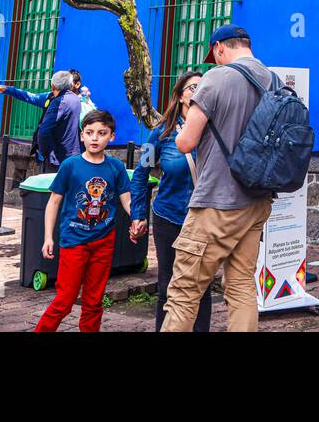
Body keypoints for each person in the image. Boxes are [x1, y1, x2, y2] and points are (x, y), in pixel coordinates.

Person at [162, 25, 274, 333]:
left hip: (217, 201)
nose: (216, 61)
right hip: (257, 199)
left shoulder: (216, 78)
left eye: (215, 56)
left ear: (220, 48)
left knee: (185, 291)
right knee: (240, 285)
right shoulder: (272, 79)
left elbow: (185, 142)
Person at [128, 70, 214, 331]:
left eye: (202, 88)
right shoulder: (161, 134)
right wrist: (138, 214)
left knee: (202, 285)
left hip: (203, 219)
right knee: (168, 285)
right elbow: (141, 175)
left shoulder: (214, 133)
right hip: (169, 217)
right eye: (191, 88)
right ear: (178, 96)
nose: (197, 92)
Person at [34, 109, 132, 332]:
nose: (95, 138)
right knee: (64, 300)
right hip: (74, 241)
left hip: (104, 241)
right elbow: (53, 203)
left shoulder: (116, 167)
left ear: (112, 136)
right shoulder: (70, 165)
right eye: (89, 132)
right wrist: (48, 237)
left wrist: (137, 219)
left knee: (94, 302)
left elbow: (126, 200)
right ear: (82, 135)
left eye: (101, 133)